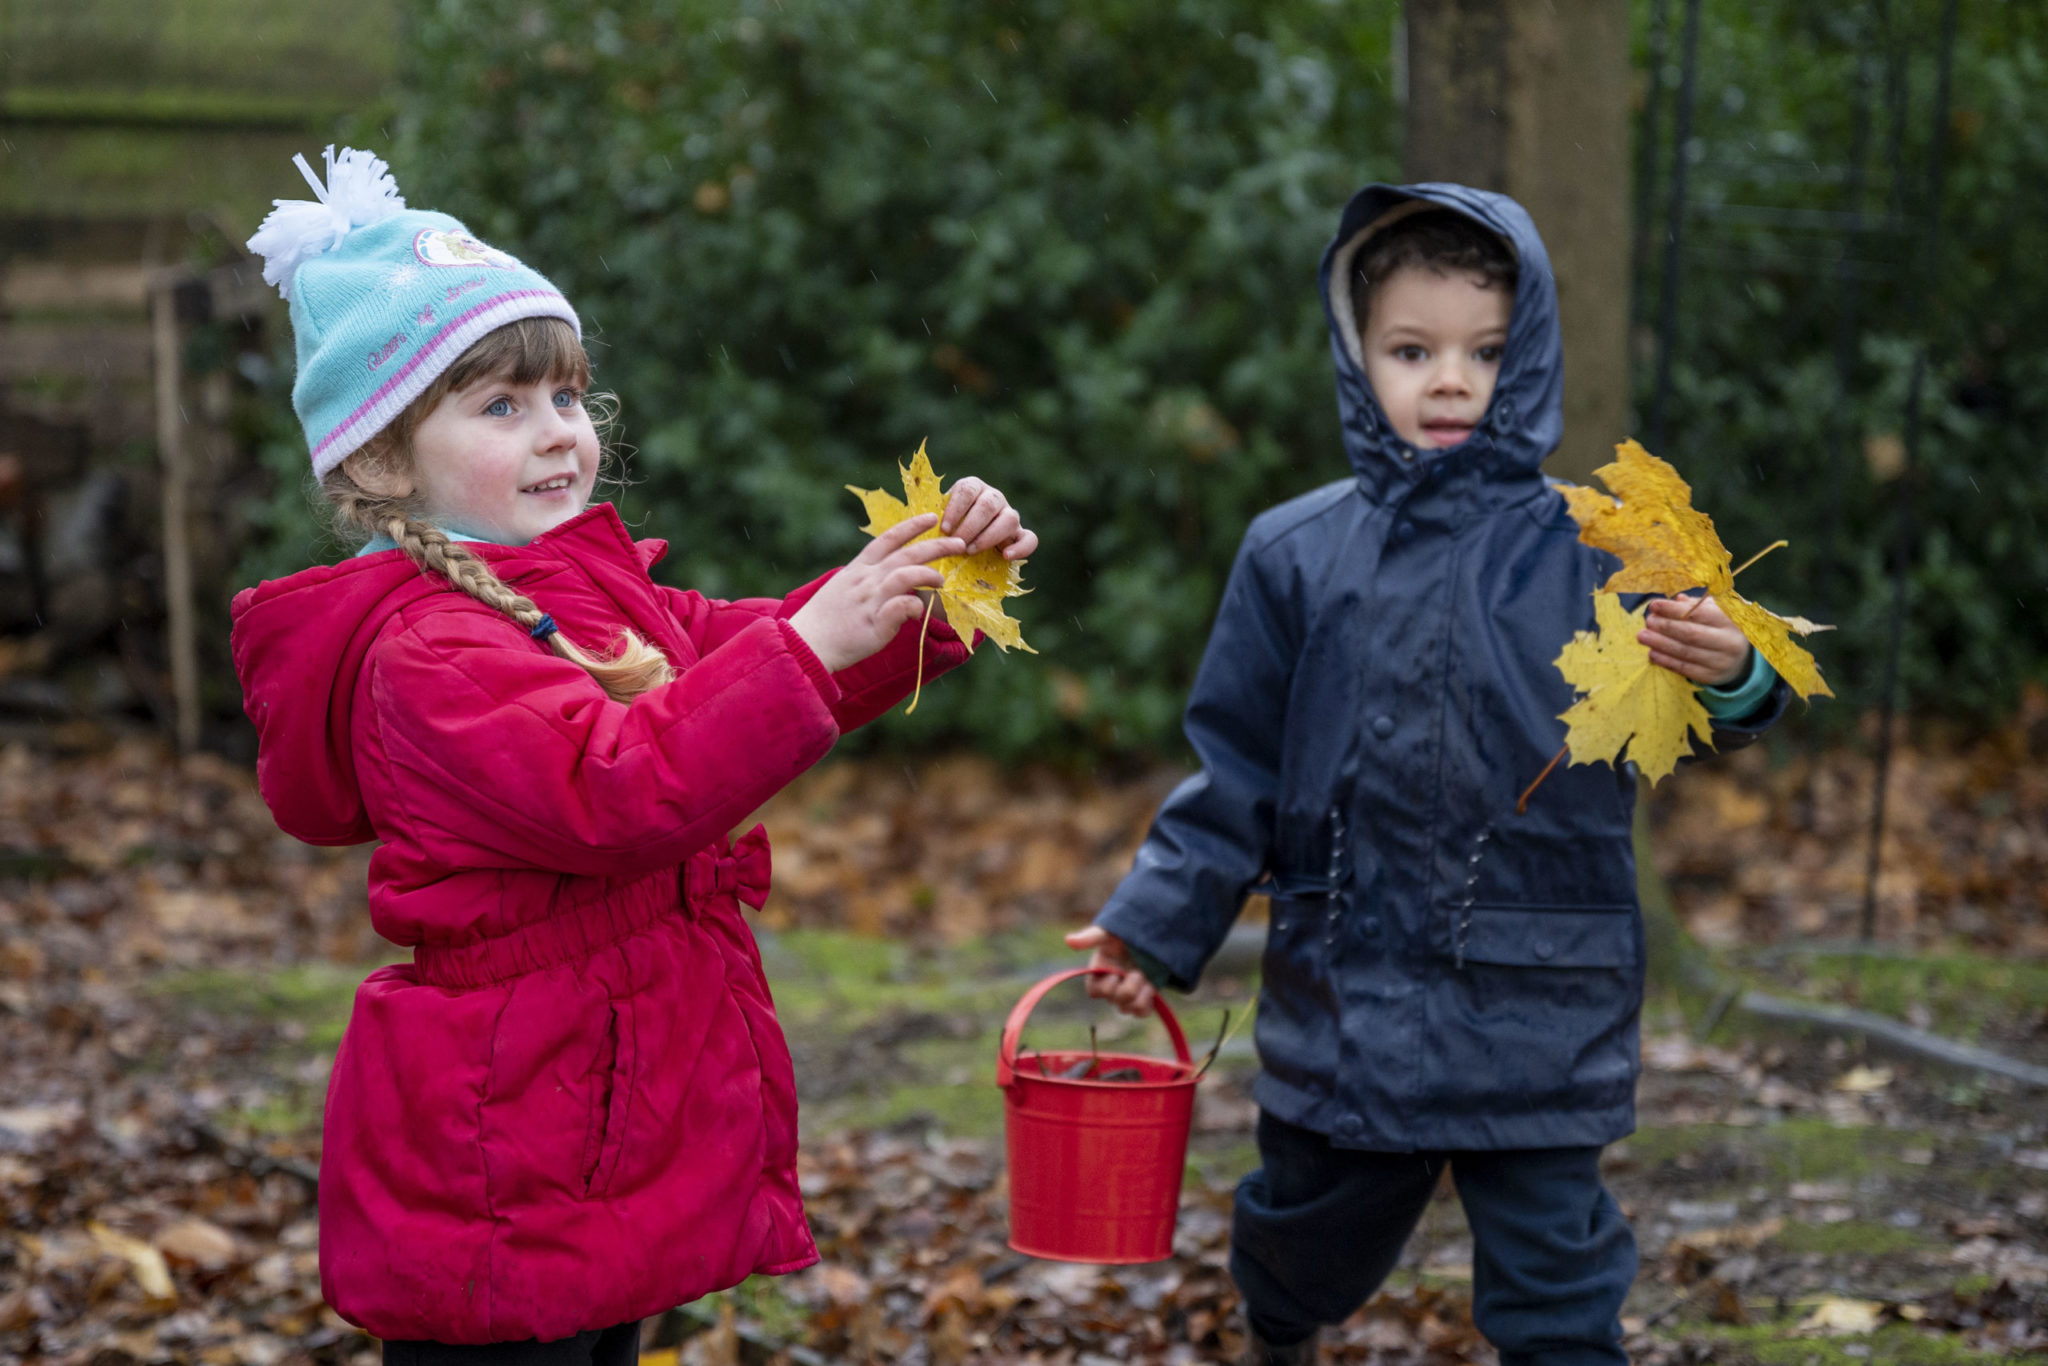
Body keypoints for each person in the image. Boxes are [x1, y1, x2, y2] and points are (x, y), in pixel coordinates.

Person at [230, 147, 1036, 1362]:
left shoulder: (582, 587)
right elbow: (619, 783)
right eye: (501, 407)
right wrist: (813, 643)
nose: (556, 432)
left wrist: (922, 591)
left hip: (597, 1101)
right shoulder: (425, 650)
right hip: (506, 1137)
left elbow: (737, 653)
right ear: (384, 460)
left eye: (565, 396)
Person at [1066, 184, 1788, 1366]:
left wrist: (1733, 674)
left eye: (1484, 352)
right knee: (1301, 1241)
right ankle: (1280, 1329)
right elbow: (1234, 773)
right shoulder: (1292, 554)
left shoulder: (1607, 558)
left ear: (1531, 354)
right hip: (1346, 989)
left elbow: (1717, 717)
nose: (1450, 381)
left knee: (1559, 1285)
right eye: (1412, 350)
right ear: (1357, 355)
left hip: (1542, 988)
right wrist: (1150, 927)